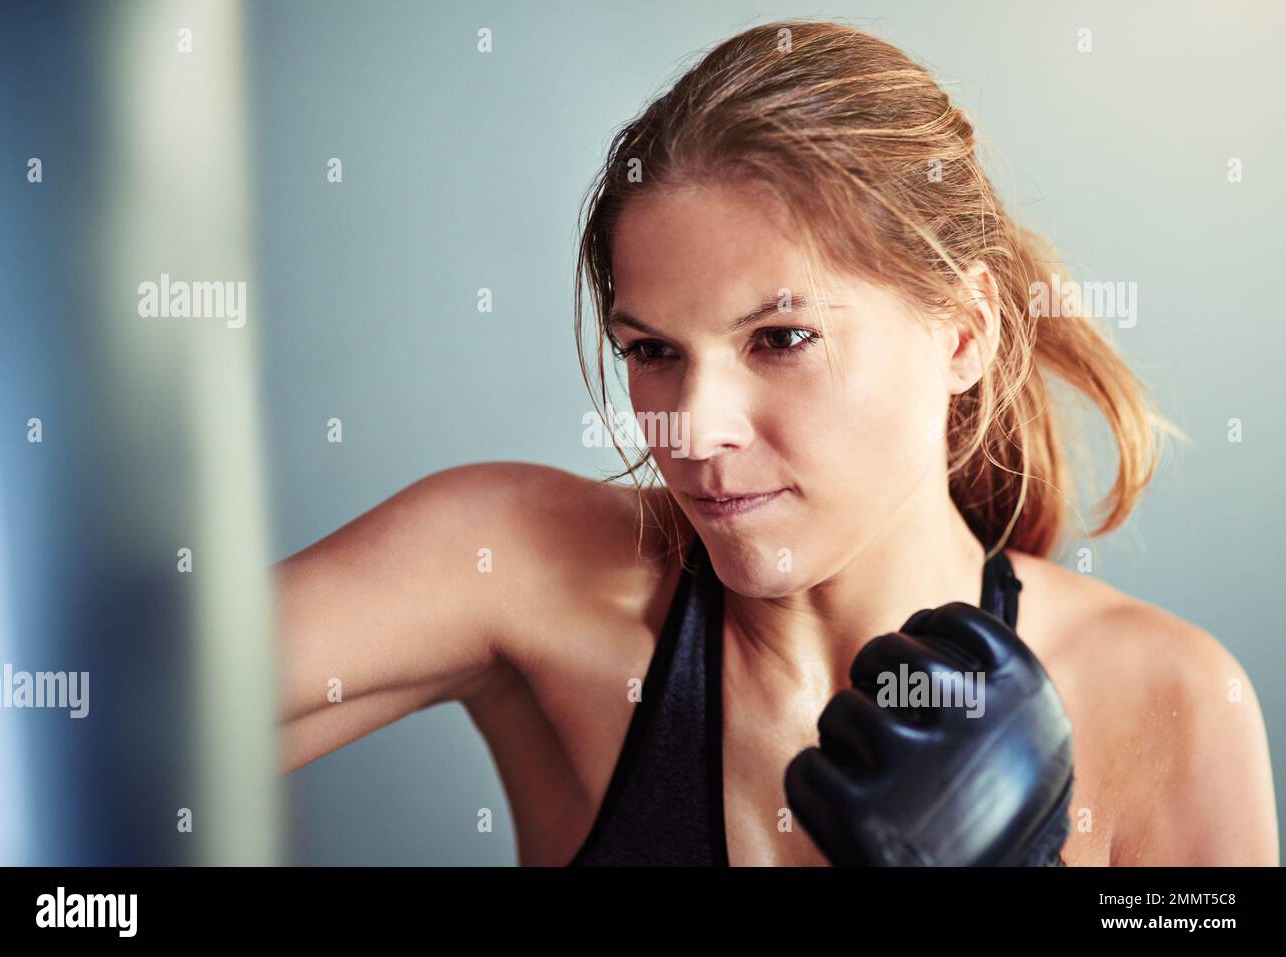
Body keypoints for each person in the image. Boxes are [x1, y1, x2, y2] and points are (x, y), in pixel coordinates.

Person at [276, 19, 1278, 866]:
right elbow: (125, 712)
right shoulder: (525, 573)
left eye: (781, 338)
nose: (695, 428)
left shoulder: (1169, 703)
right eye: (652, 349)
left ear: (966, 333)